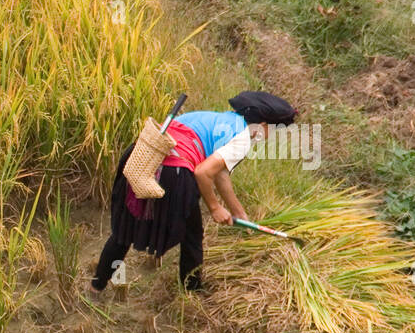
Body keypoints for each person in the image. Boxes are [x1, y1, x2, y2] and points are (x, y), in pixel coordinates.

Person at [88, 91, 297, 296]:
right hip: (174, 171)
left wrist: (238, 212)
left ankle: (97, 286)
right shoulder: (243, 137)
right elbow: (203, 172)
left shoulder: (214, 118)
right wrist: (215, 208)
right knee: (192, 236)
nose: (269, 137)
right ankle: (192, 292)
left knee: (125, 230)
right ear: (261, 126)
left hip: (142, 160)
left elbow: (220, 173)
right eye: (272, 131)